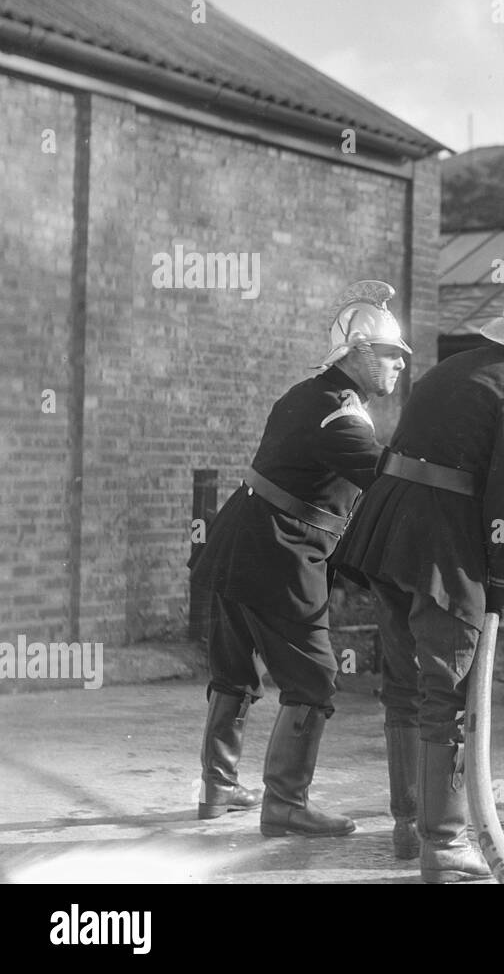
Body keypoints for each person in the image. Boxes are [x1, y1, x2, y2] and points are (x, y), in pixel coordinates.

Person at [334, 253, 504, 883]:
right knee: (452, 694)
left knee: (405, 685)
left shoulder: (451, 369)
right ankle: (446, 843)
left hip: (388, 534)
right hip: (441, 547)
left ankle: (409, 826)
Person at [191, 281, 410, 837]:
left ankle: (218, 787)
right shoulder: (340, 413)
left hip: (234, 542)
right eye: (391, 355)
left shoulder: (303, 394)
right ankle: (286, 803)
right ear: (358, 352)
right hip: (279, 553)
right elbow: (387, 482)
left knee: (234, 669)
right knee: (314, 679)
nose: (400, 367)